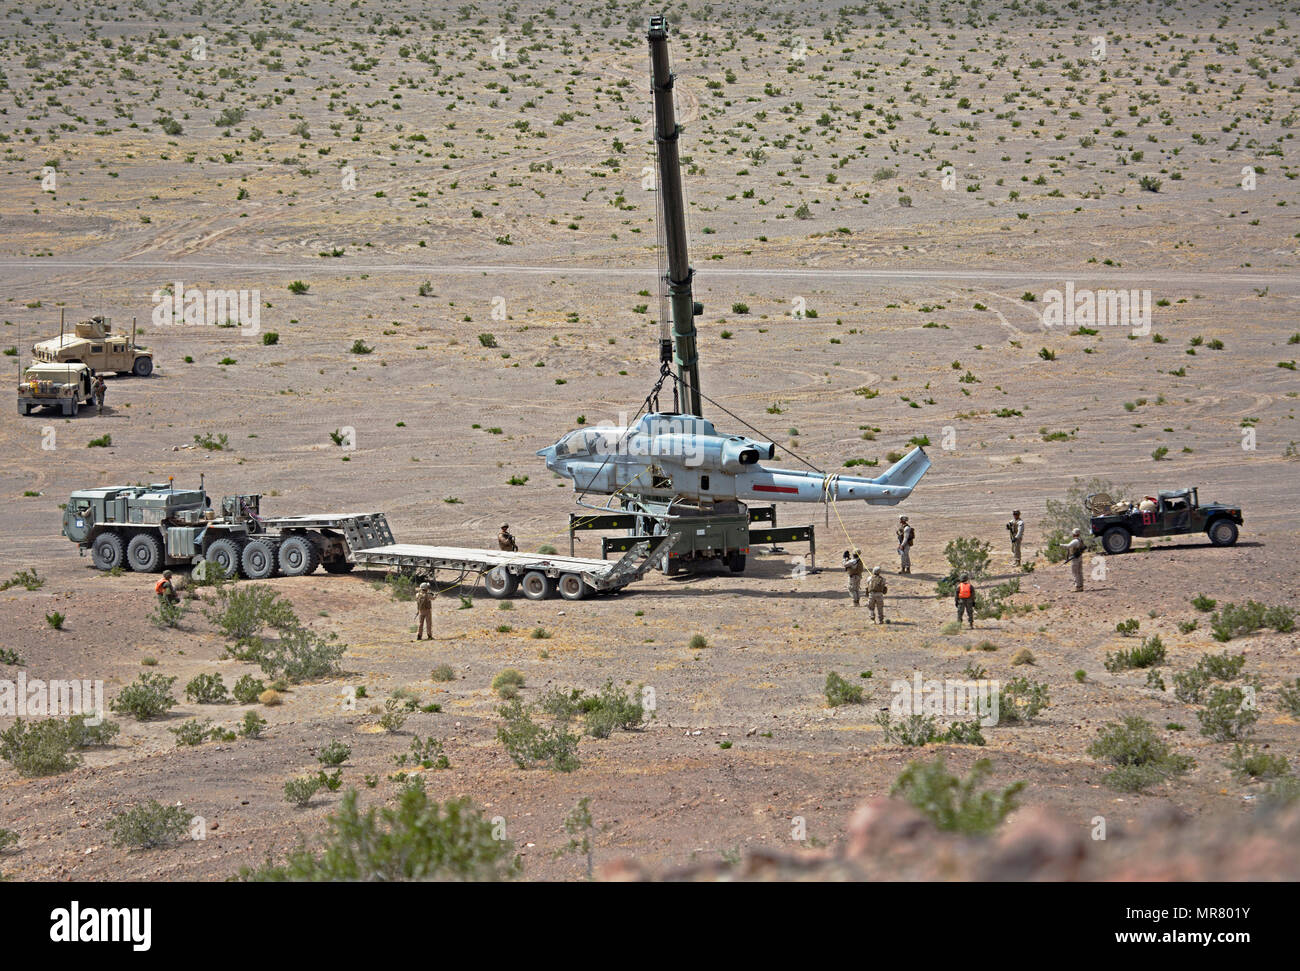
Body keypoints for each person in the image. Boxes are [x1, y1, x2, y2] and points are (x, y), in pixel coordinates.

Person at [1065, 527, 1085, 592]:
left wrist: (1059, 545)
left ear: (1074, 534)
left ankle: (1078, 587)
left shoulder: (1075, 541)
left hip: (1075, 559)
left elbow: (1068, 546)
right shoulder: (1080, 540)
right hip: (1080, 558)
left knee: (1075, 573)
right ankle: (1081, 587)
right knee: (1079, 572)